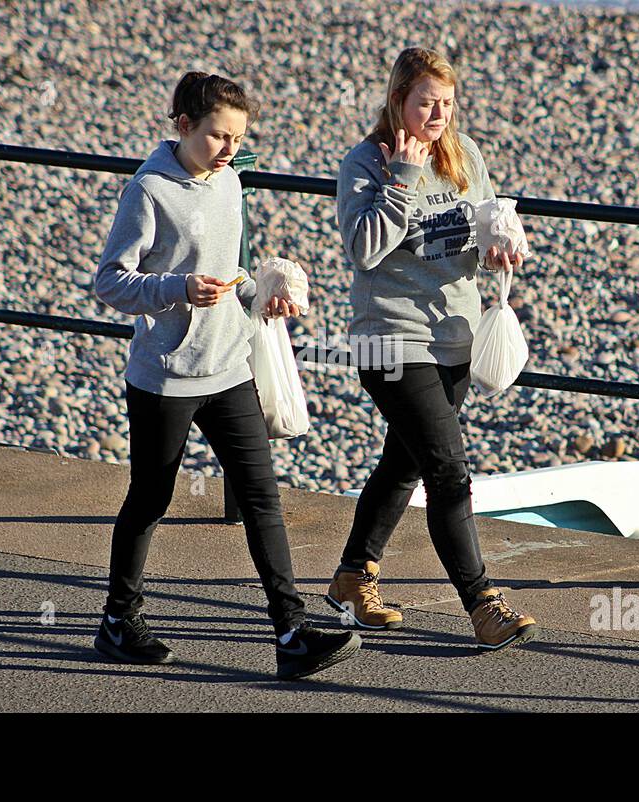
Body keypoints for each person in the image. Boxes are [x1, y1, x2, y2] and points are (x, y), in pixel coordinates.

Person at [92, 71, 361, 679]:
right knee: (151, 497)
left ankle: (291, 633)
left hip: (230, 364)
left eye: (238, 138)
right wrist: (176, 287)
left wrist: (263, 293)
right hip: (166, 375)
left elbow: (230, 274)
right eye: (218, 136)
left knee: (263, 495)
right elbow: (110, 281)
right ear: (183, 125)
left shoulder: (232, 181)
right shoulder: (149, 190)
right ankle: (118, 619)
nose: (230, 149)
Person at [326, 48, 539, 650]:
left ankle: (352, 576)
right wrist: (403, 179)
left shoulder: (465, 153)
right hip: (390, 341)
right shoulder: (366, 163)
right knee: (449, 470)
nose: (438, 112)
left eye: (446, 101)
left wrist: (499, 248)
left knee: (405, 462)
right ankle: (482, 605)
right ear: (398, 101)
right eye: (426, 101)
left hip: (455, 337)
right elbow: (364, 249)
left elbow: (486, 226)